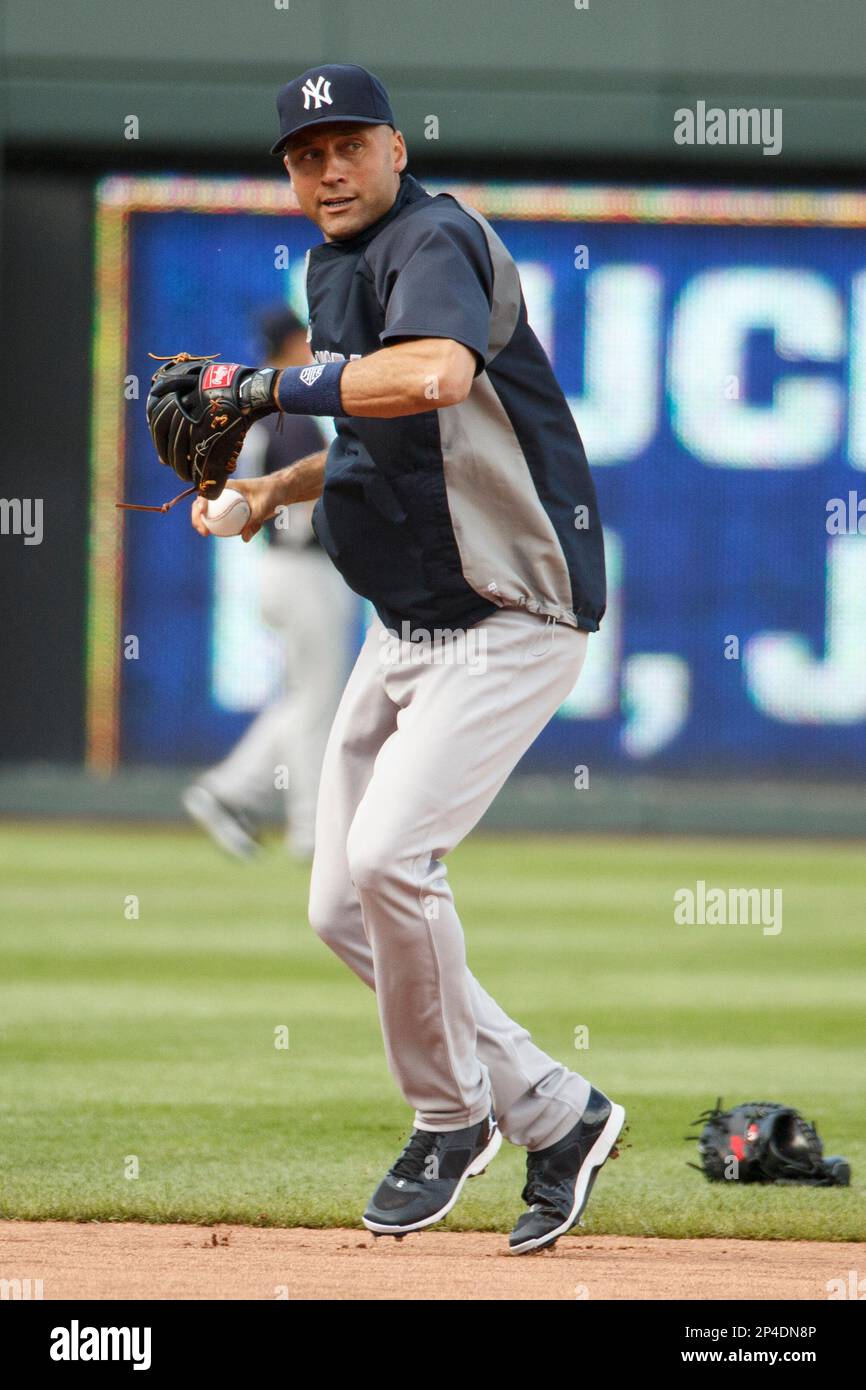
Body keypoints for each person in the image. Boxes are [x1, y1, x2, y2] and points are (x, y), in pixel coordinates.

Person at [190, 63, 625, 1255]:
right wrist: (264, 485)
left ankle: (452, 1117)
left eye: (346, 144)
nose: (326, 168)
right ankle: (557, 1112)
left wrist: (263, 386)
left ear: (392, 146)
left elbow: (432, 372)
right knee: (340, 904)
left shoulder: (432, 238)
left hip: (510, 609)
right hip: (410, 623)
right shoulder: (337, 268)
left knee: (391, 854)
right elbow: (378, 439)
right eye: (302, 153)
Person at [183, 308, 355, 860]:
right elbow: (314, 500)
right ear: (293, 342)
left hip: (280, 571)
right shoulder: (290, 414)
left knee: (304, 697)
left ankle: (228, 792)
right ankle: (310, 829)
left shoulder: (254, 407)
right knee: (317, 702)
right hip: (304, 572)